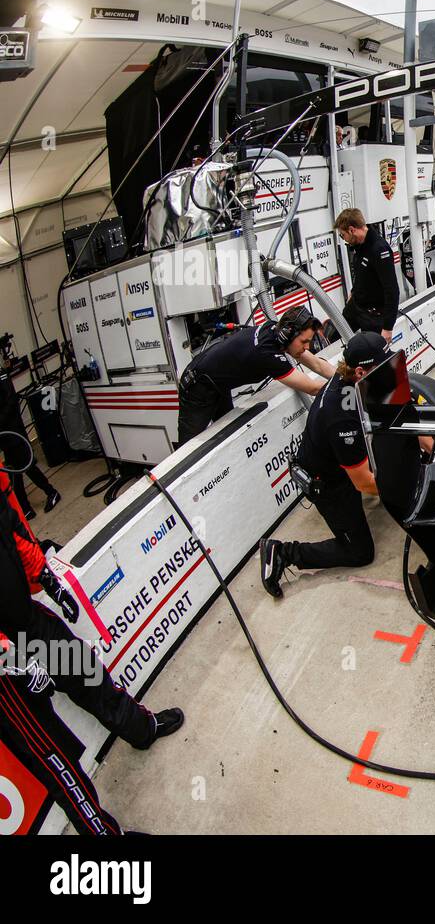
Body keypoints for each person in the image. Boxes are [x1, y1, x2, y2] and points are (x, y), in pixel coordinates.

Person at [0, 470, 183, 835]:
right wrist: (7, 654)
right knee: (55, 758)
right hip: (4, 670)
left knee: (87, 674)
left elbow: (12, 530)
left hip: (25, 619)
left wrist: (46, 577)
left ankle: (141, 728)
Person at [259, 333, 406, 597]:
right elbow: (363, 483)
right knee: (359, 552)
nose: (387, 370)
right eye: (382, 366)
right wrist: (413, 488)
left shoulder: (348, 376)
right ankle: (284, 552)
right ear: (361, 371)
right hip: (326, 483)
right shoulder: (341, 415)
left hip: (336, 462)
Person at [176, 306, 333, 446]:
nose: (308, 347)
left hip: (217, 382)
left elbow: (318, 364)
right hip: (197, 386)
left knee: (226, 438)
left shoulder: (275, 331)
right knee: (188, 451)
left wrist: (347, 376)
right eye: (304, 341)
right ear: (287, 334)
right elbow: (312, 388)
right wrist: (345, 386)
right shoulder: (266, 353)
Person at [0, 362, 59, 520]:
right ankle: (25, 508)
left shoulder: (1, 375)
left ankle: (51, 492)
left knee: (27, 466)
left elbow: (11, 402)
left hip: (14, 431)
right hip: (5, 437)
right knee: (15, 472)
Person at [334, 208, 401, 341]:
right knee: (335, 336)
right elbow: (362, 274)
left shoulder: (379, 249)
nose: (344, 239)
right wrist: (353, 292)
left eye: (343, 235)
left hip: (374, 314)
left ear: (352, 230)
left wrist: (388, 327)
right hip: (356, 306)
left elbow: (392, 290)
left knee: (372, 351)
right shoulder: (359, 246)